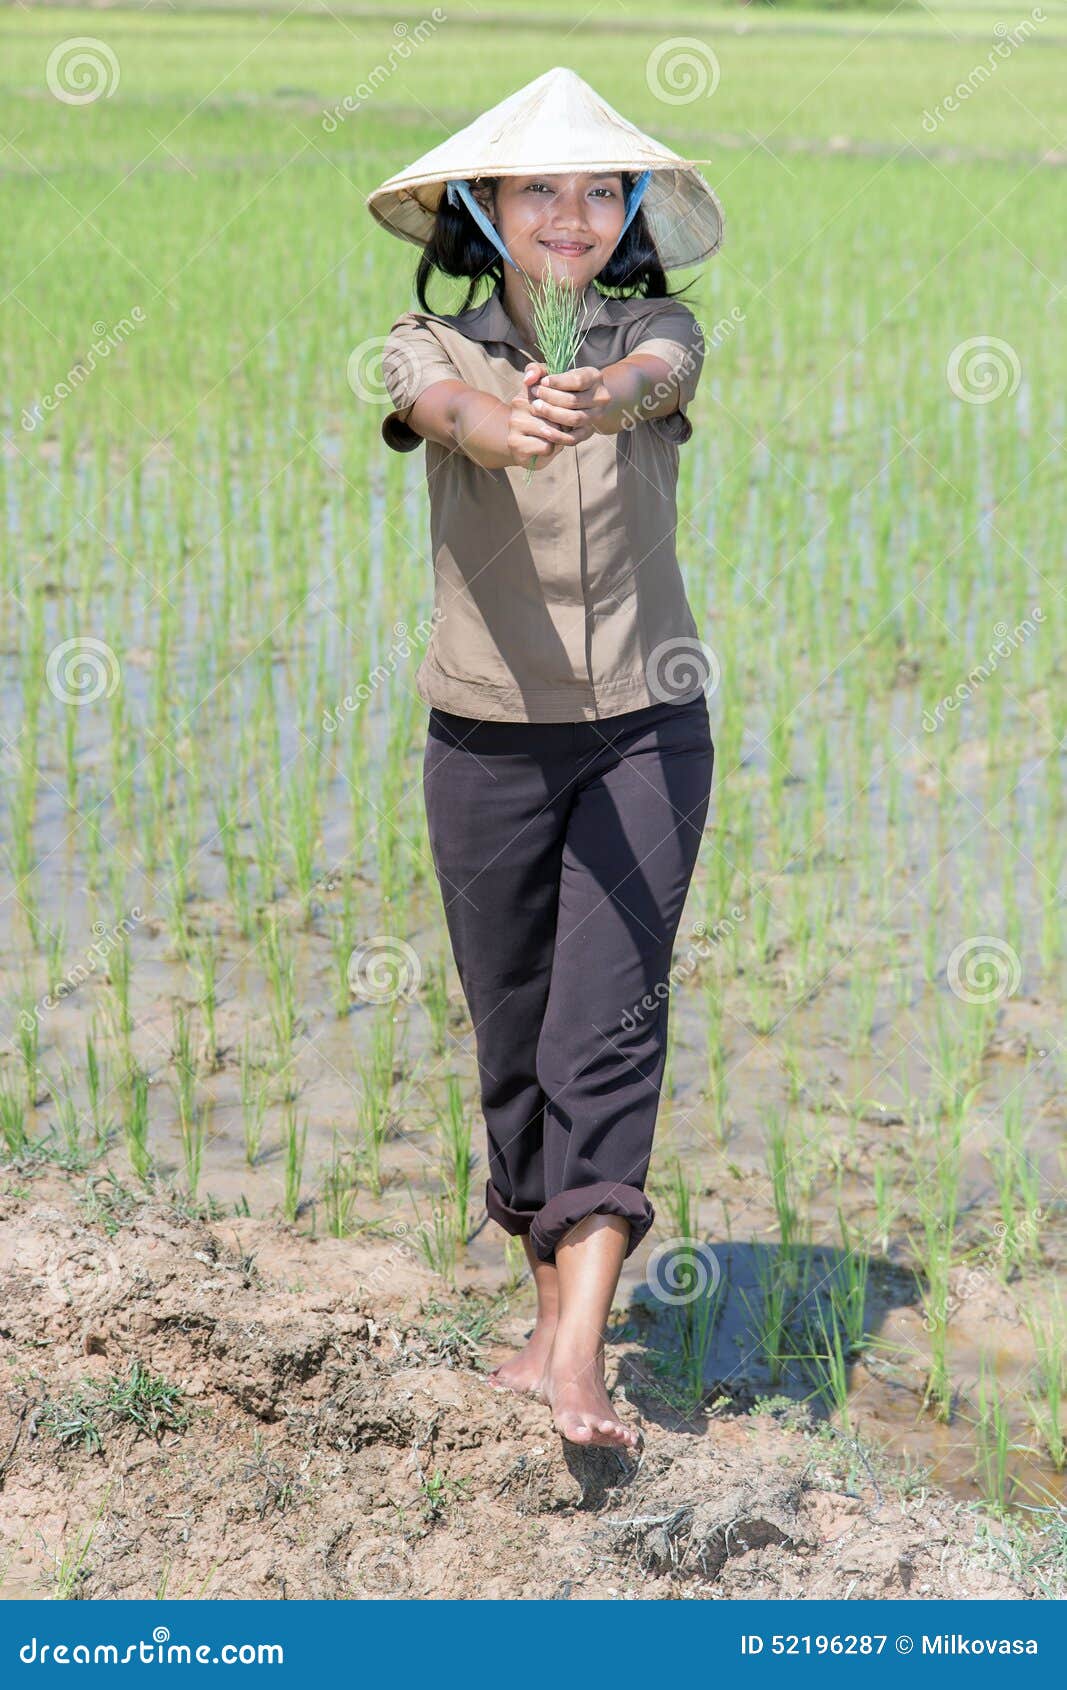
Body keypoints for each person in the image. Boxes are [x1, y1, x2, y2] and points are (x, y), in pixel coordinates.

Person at [365, 67, 724, 1448]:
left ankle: (581, 1355)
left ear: (627, 209)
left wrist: (597, 397)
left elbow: (653, 378)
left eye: (598, 190)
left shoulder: (658, 331)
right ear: (484, 206)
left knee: (607, 1027)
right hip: (485, 744)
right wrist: (497, 424)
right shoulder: (429, 347)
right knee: (514, 1038)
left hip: (645, 731)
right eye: (537, 190)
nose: (569, 214)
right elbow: (440, 412)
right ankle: (544, 1320)